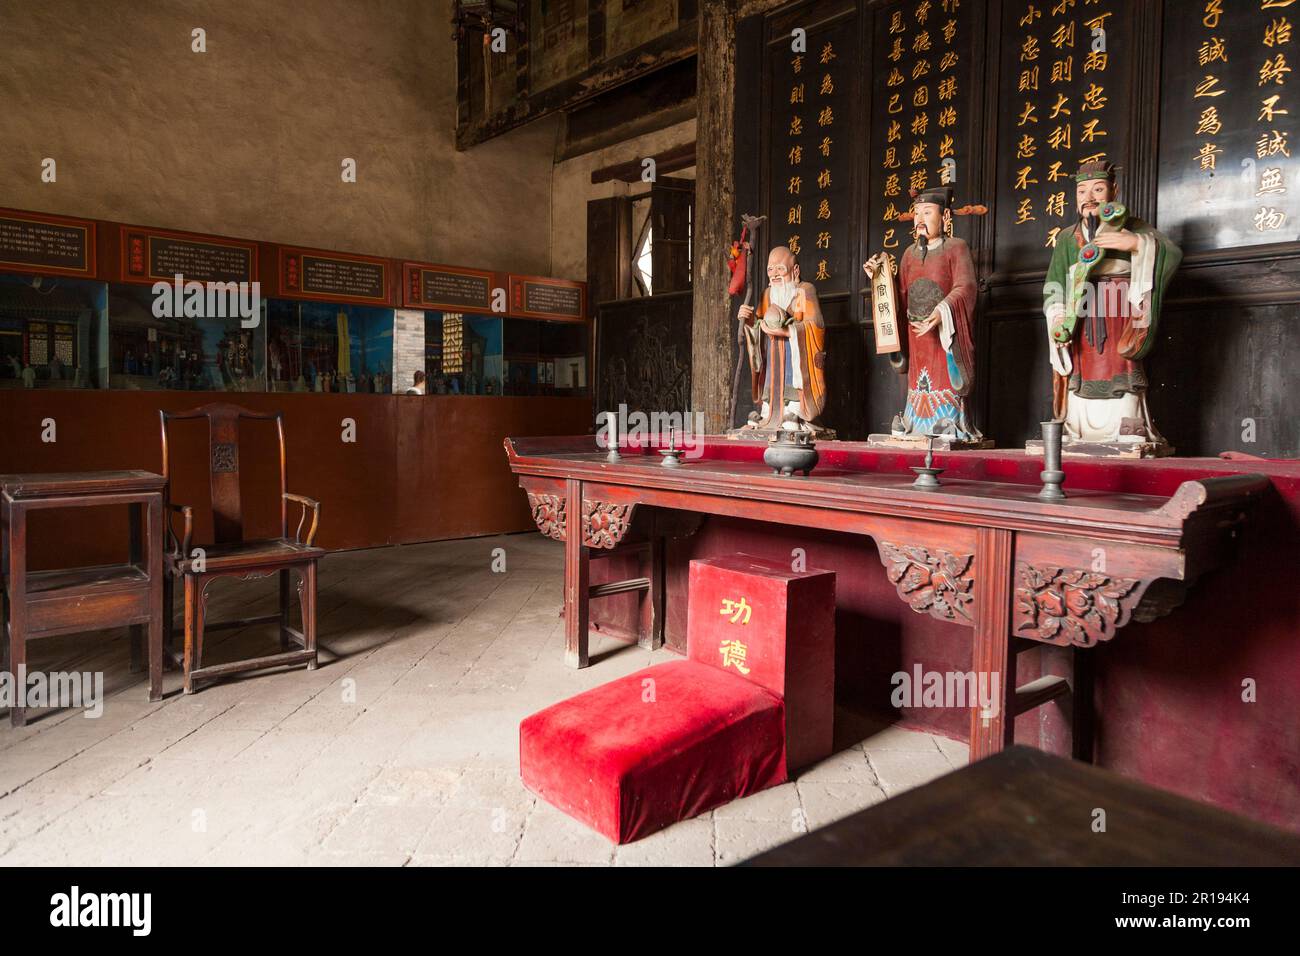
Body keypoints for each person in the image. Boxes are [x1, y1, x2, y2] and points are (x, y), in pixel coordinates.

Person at [1043, 159, 1182, 448]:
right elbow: (1054, 283)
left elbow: (1172, 253)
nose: (1089, 198)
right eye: (1082, 191)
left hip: (1120, 310)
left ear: (1114, 191)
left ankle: (1129, 423)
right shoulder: (1068, 238)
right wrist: (1057, 315)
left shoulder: (1131, 227)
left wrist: (1136, 244)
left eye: (1097, 189)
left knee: (1123, 367)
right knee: (1081, 371)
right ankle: (1076, 426)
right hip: (1080, 312)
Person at [864, 186, 982, 442]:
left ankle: (949, 421)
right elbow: (901, 294)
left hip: (943, 331)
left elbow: (966, 286)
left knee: (943, 376)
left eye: (927, 212)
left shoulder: (956, 247)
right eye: (916, 213)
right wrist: (879, 278)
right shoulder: (908, 254)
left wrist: (943, 311)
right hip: (916, 333)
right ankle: (914, 422)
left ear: (945, 217)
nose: (919, 219)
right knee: (918, 380)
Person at [735, 245, 827, 432]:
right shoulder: (767, 294)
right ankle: (768, 412)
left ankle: (795, 410)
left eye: (780, 269)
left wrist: (789, 332)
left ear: (795, 270)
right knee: (770, 378)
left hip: (795, 352)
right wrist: (749, 319)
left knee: (792, 378)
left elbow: (816, 325)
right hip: (772, 353)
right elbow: (758, 325)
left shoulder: (805, 290)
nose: (775, 274)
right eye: (770, 269)